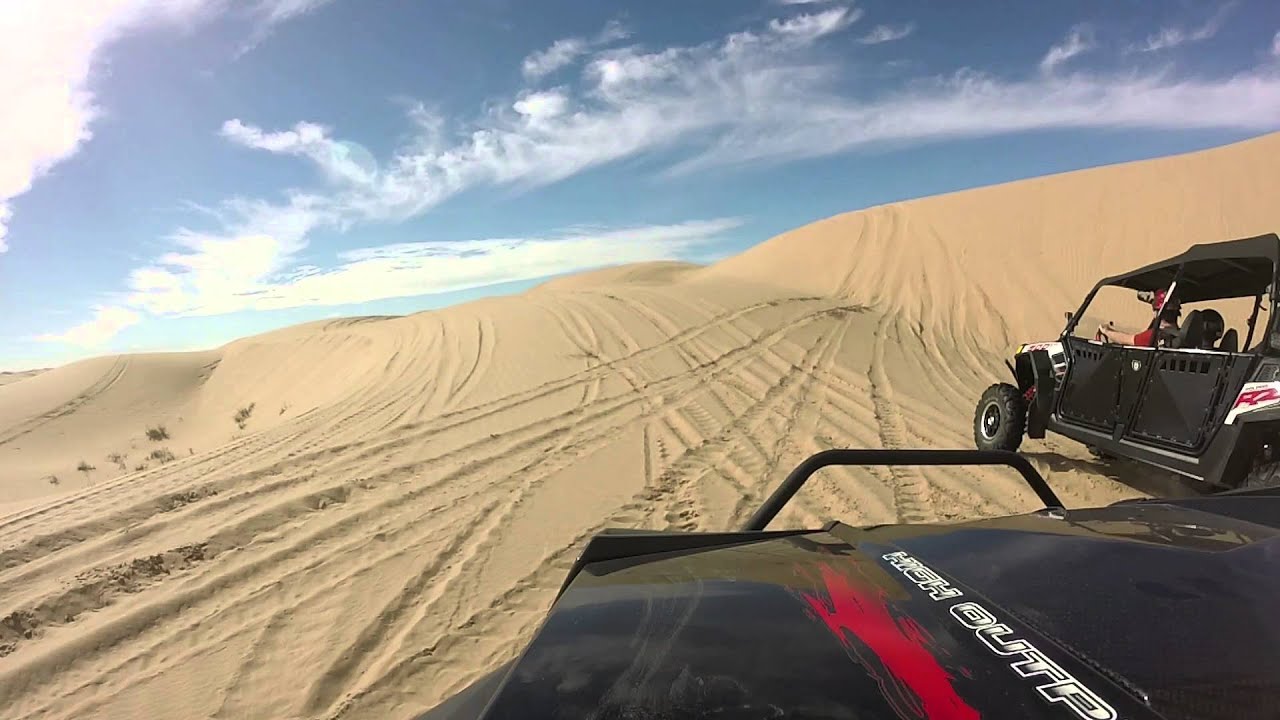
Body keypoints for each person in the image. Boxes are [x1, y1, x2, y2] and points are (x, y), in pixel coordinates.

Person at [1097, 289, 1180, 347]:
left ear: (1156, 313)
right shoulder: (1179, 336)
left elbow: (1127, 339)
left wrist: (1107, 331)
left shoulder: (1153, 336)